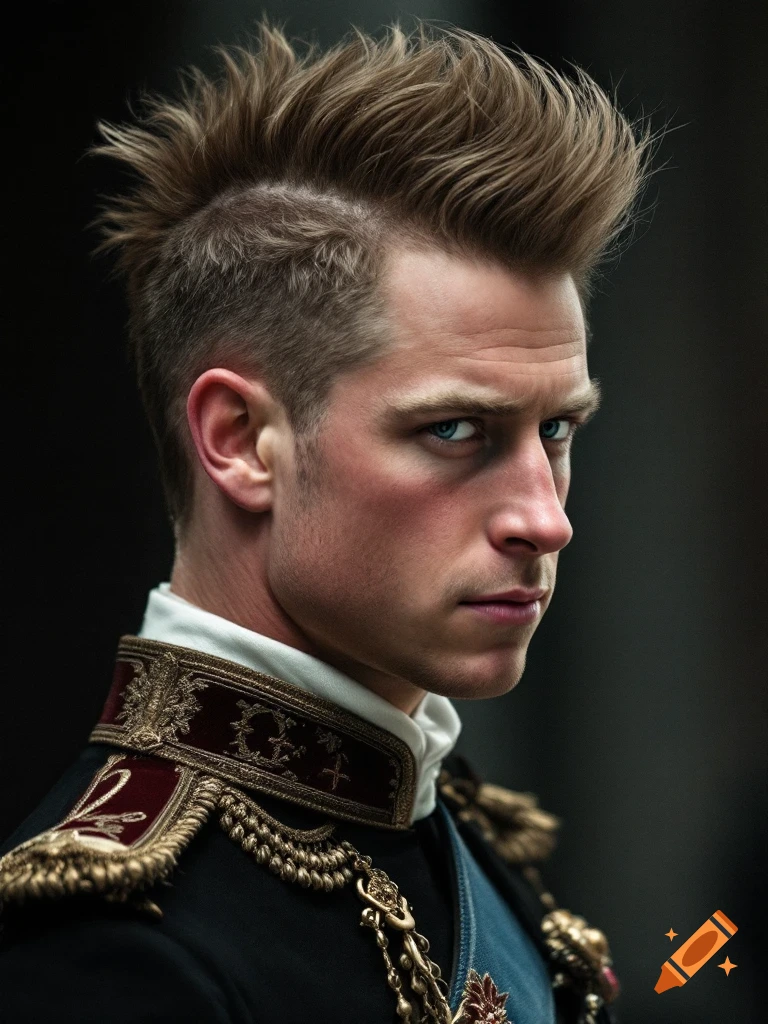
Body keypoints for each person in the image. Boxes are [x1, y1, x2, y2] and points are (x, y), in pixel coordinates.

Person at [0, 19, 648, 1024]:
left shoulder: (462, 841)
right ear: (241, 438)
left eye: (556, 428)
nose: (545, 518)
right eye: (456, 430)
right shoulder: (113, 947)